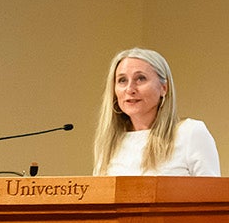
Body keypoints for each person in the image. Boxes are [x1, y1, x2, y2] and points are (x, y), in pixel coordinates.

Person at [91, 47, 221, 176]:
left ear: (163, 88)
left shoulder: (190, 133)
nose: (130, 89)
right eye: (122, 80)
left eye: (140, 78)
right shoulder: (110, 143)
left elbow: (214, 194)